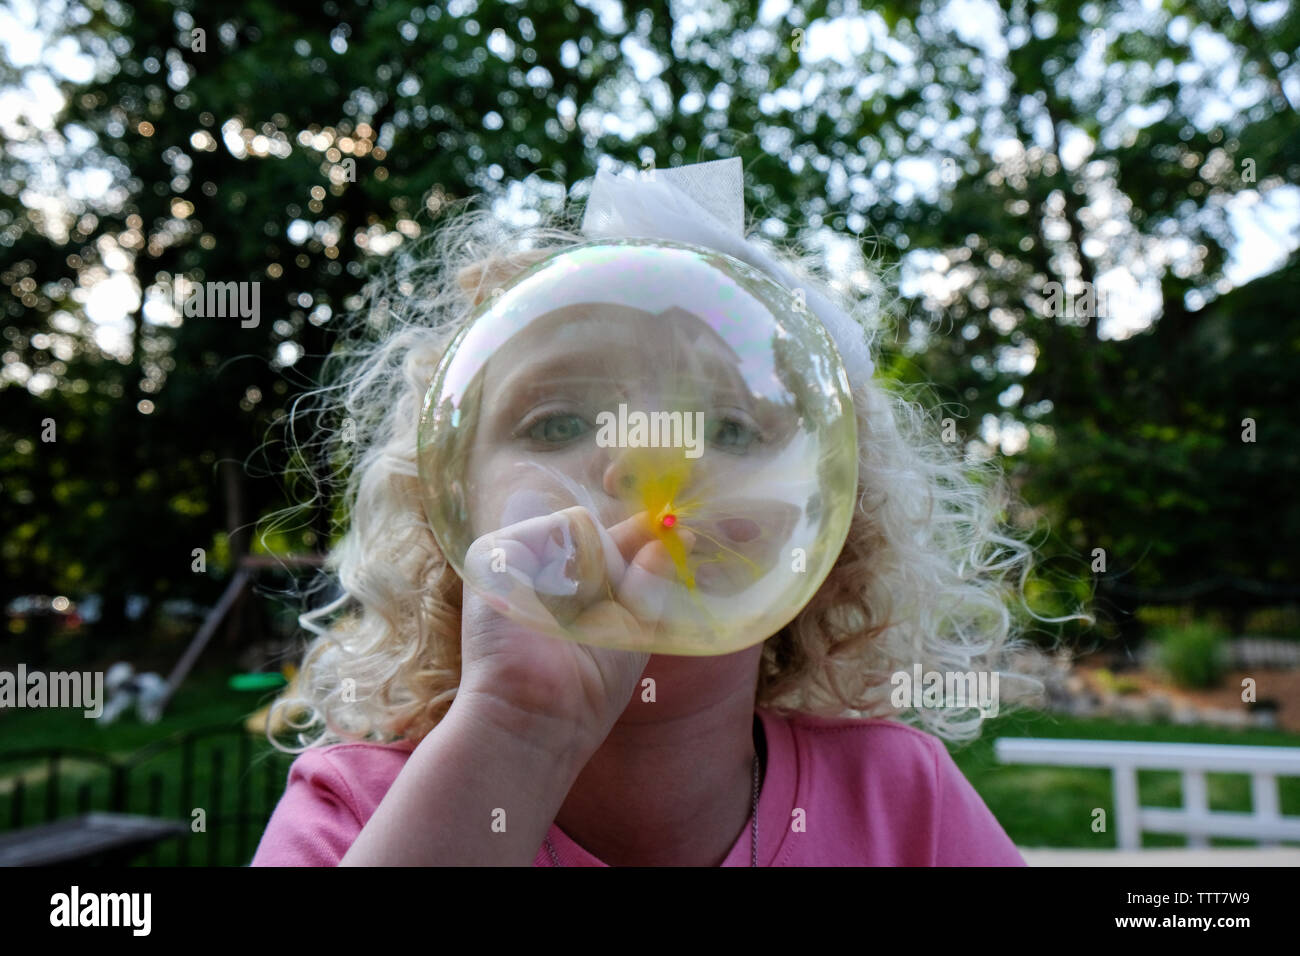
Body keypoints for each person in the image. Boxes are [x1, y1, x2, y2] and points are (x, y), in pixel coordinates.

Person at [251, 159, 1069, 866]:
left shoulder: (903, 805)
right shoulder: (357, 812)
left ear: (828, 527)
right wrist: (517, 732)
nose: (651, 459)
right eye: (561, 422)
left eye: (728, 427)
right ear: (448, 513)